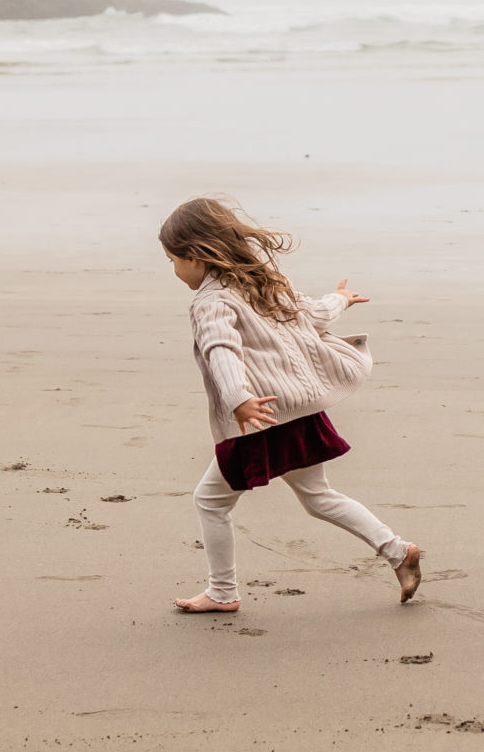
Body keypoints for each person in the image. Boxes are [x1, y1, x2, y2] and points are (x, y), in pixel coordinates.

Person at [158, 196, 423, 611]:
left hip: (258, 417)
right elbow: (312, 314)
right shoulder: (262, 281)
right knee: (318, 495)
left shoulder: (211, 302)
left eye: (173, 261)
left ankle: (222, 592)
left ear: (195, 256)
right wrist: (340, 299)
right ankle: (397, 551)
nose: (174, 270)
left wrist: (239, 399)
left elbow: (221, 350)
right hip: (297, 410)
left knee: (210, 501)